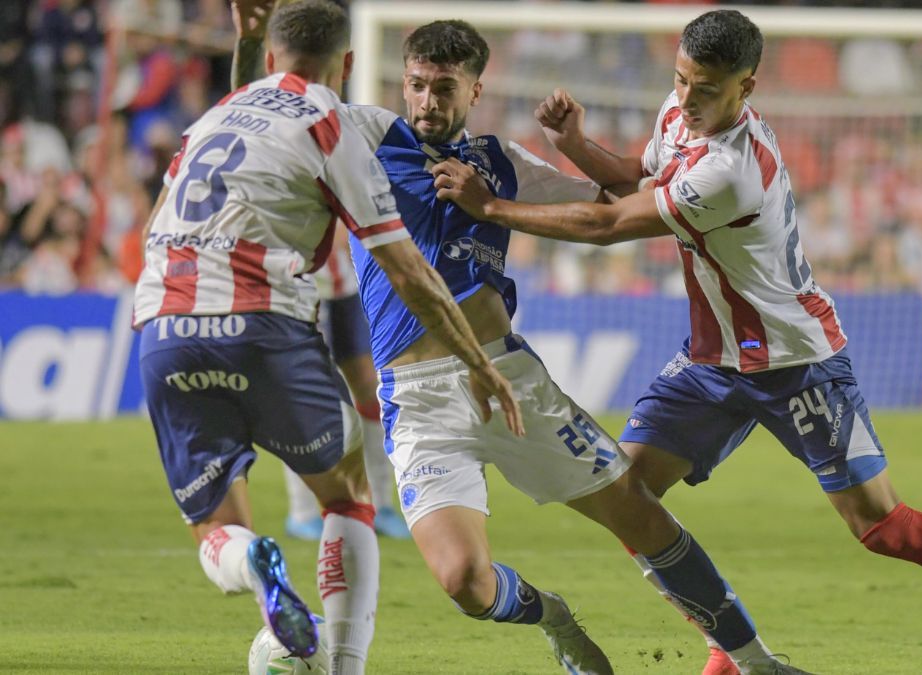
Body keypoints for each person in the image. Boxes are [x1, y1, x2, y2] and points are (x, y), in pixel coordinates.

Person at [433, 9, 922, 675]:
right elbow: (638, 181)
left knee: (882, 526)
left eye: (707, 89)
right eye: (682, 80)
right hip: (709, 362)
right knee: (628, 496)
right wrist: (578, 144)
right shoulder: (678, 111)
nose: (689, 98)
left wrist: (489, 209)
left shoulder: (733, 171)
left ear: (745, 89)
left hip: (794, 361)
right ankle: (729, 644)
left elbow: (613, 223)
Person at [230, 12, 809, 675]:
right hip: (418, 404)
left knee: (637, 512)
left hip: (512, 383)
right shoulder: (364, 137)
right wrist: (251, 42)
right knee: (465, 584)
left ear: (474, 91)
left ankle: (756, 661)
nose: (426, 101)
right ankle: (554, 615)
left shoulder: (501, 163)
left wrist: (596, 149)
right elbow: (262, 112)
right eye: (416, 84)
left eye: (444, 88)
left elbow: (624, 201)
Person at [134, 2, 522, 674]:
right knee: (346, 497)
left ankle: (253, 565)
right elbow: (408, 270)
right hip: (263, 323)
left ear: (272, 59)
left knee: (215, 525)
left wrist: (247, 42)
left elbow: (249, 104)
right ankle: (343, 662)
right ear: (348, 65)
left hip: (163, 329)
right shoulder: (332, 123)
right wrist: (479, 363)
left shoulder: (211, 119)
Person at [283, 228, 411, 541]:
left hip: (344, 283)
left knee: (369, 384)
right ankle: (302, 513)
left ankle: (380, 505)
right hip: (295, 279)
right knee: (306, 388)